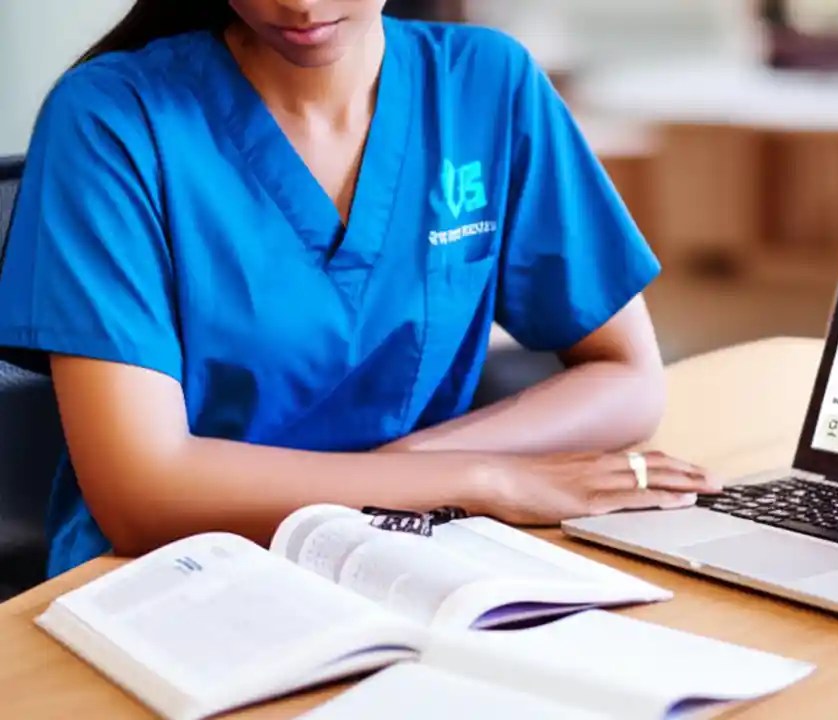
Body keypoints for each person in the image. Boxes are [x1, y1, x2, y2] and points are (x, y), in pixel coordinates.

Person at [0, 0, 719, 577]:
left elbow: (626, 377)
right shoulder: (109, 119)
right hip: (175, 573)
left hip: (413, 557)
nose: (299, 2)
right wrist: (485, 480)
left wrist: (395, 478)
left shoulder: (486, 84)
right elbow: (143, 493)